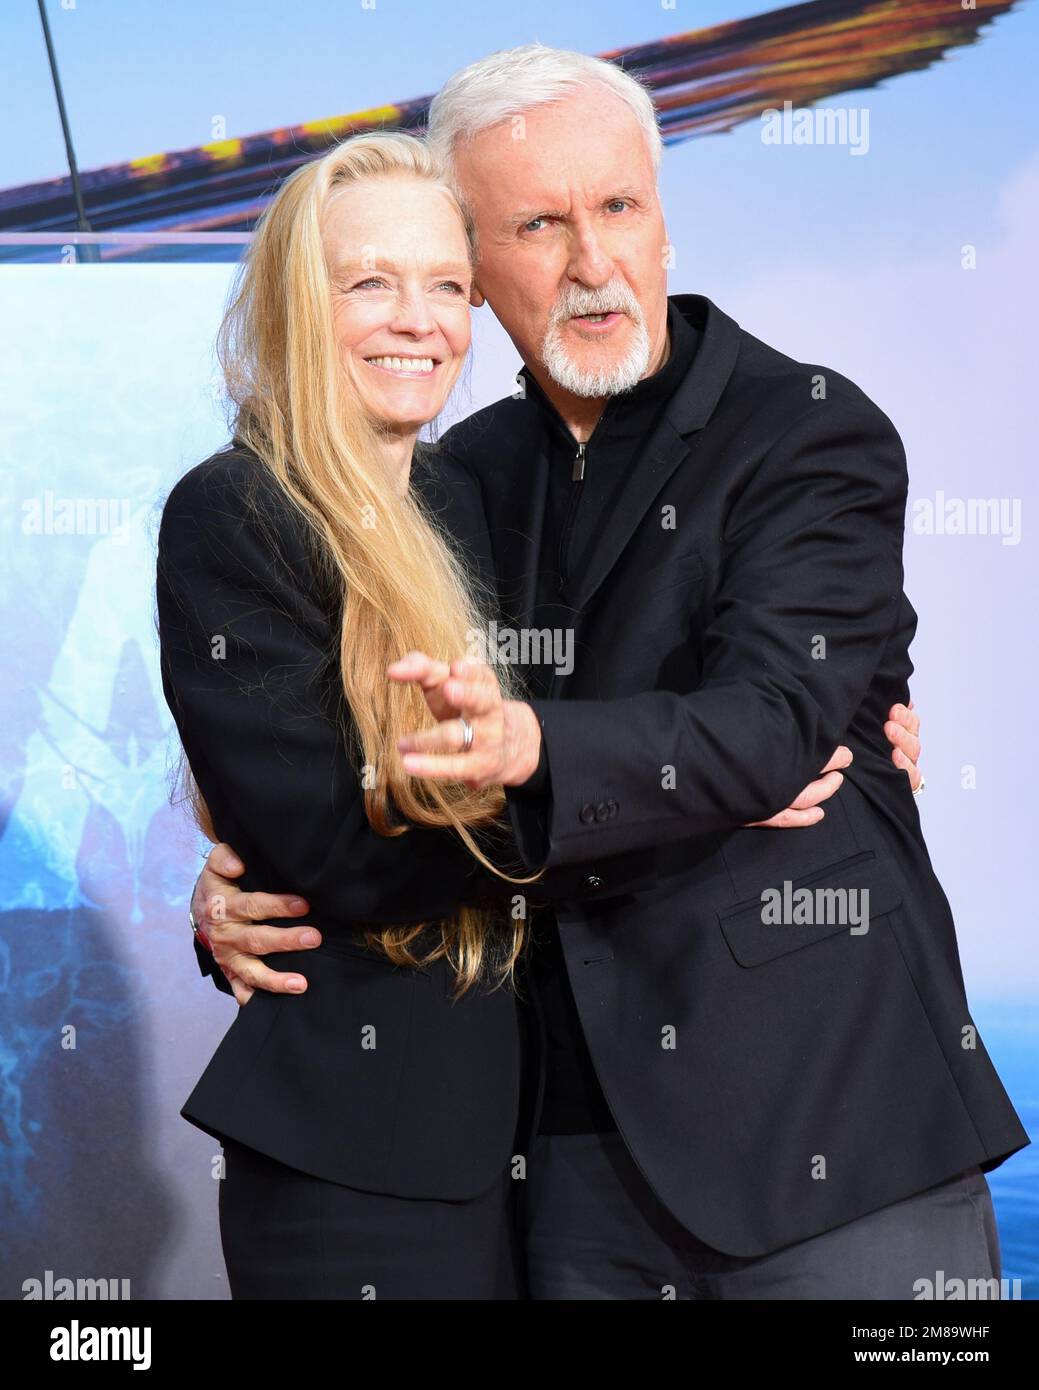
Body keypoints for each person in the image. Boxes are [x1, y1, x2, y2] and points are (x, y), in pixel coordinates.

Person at [186, 44, 1028, 1300]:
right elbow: (343, 752)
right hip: (561, 1165)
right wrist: (246, 873)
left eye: (619, 208)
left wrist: (539, 756)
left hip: (828, 1133)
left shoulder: (807, 429)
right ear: (477, 273)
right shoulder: (448, 480)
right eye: (536, 224)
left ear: (664, 220)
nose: (591, 262)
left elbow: (773, 720)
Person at [157, 131, 530, 1301]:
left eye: (447, 287)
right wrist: (607, 801)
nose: (417, 320)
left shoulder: (474, 496)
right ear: (292, 305)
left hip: (541, 1140)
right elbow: (330, 858)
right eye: (370, 282)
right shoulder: (234, 512)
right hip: (360, 1160)